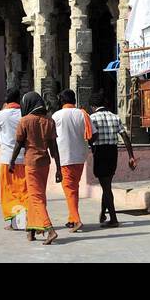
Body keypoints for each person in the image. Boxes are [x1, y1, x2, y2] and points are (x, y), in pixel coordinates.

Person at [10, 91, 63, 244]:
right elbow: (54, 148)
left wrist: (12, 161)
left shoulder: (24, 121)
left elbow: (19, 143)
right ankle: (32, 229)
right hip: (45, 163)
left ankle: (49, 229)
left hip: (31, 163)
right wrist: (59, 169)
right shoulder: (49, 121)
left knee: (35, 197)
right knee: (39, 196)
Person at [88, 90, 137, 228]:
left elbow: (91, 137)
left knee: (106, 187)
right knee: (106, 184)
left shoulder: (92, 118)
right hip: (112, 152)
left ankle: (114, 218)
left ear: (93, 106)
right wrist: (131, 156)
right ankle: (103, 212)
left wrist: (89, 143)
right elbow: (125, 137)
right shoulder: (115, 117)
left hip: (100, 152)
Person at [51, 89, 92, 232]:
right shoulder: (82, 114)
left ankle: (76, 219)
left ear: (61, 101)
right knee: (74, 188)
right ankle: (71, 219)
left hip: (64, 157)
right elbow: (93, 134)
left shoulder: (56, 116)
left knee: (69, 189)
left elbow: (51, 137)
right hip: (80, 156)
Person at [0, 88, 26, 228]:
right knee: (23, 190)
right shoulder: (24, 113)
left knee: (9, 191)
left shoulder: (3, 114)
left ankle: (14, 222)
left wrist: (2, 110)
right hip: (24, 158)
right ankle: (23, 221)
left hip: (7, 159)